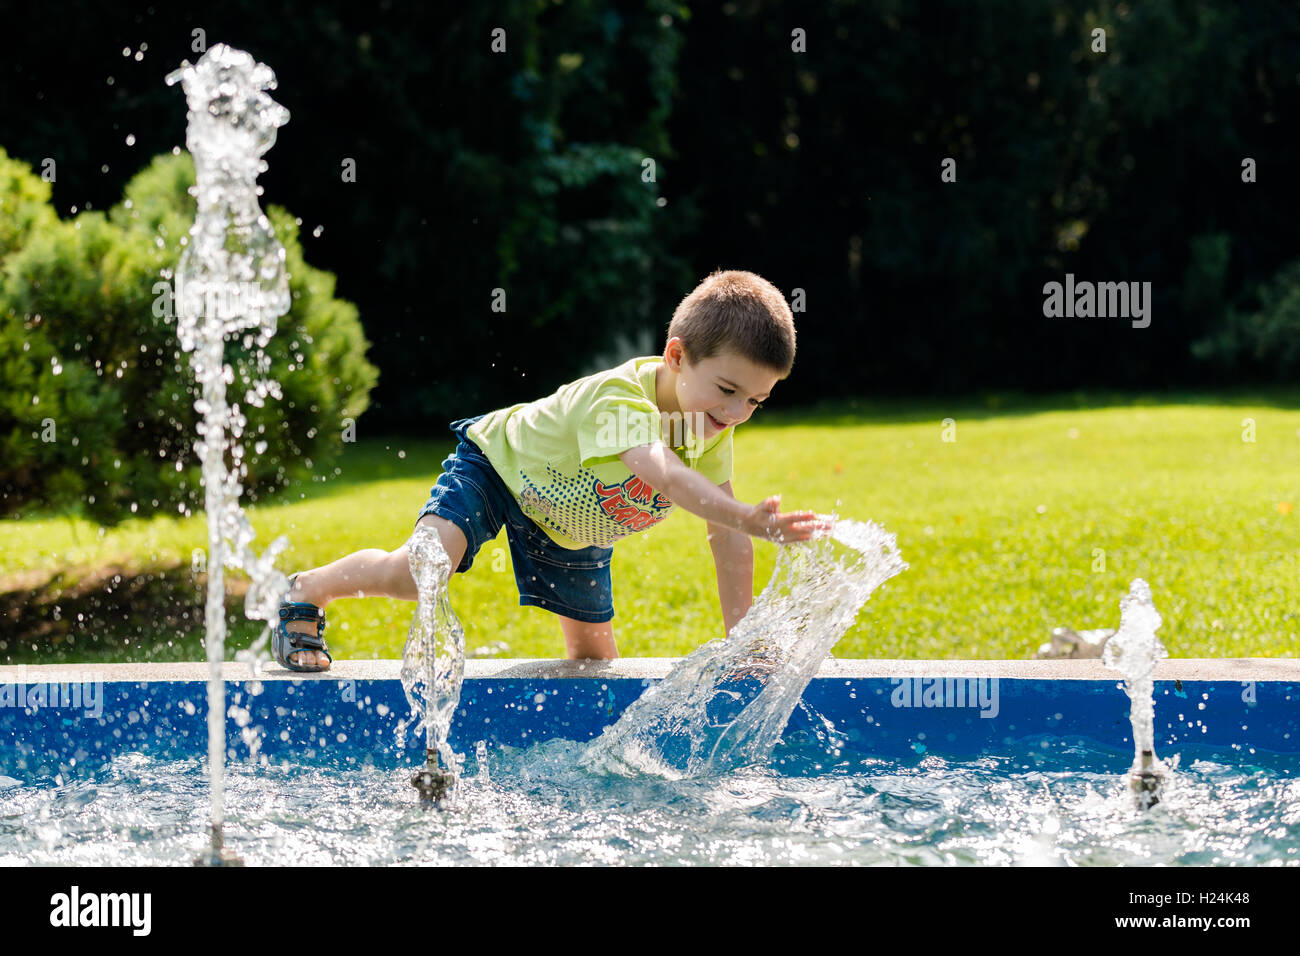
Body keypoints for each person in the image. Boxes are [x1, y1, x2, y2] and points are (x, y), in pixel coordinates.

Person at [275, 269, 830, 670]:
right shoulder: (620, 401)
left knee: (593, 664)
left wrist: (742, 638)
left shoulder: (708, 425)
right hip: (499, 470)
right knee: (418, 572)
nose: (736, 415)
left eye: (755, 402)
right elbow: (663, 474)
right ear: (677, 356)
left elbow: (726, 538)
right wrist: (745, 515)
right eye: (728, 390)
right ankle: (310, 588)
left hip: (573, 527)